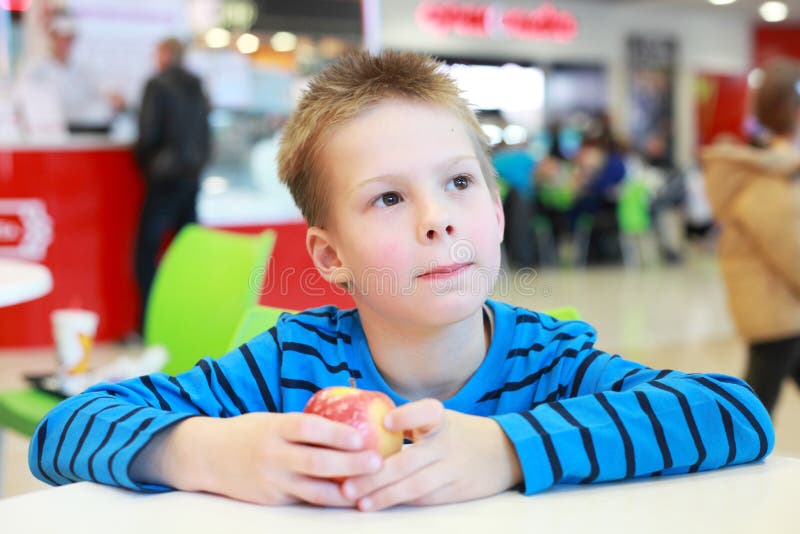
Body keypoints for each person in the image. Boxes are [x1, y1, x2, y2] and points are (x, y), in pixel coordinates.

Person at [31, 51, 772, 512]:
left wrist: (506, 450)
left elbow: (735, 415)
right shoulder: (286, 365)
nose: (436, 221)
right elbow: (64, 429)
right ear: (329, 257)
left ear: (496, 209)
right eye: (388, 198)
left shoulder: (551, 365)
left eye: (457, 183)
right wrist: (209, 452)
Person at [702, 59, 800, 415]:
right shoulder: (770, 177)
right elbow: (791, 252)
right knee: (754, 411)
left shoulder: (771, 168)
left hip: (780, 309)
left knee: (758, 401)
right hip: (775, 310)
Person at [133, 38, 211, 332]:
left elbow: (147, 134)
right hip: (191, 180)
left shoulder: (157, 84)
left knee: (145, 253)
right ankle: (182, 325)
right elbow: (205, 134)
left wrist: (149, 165)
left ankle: (148, 325)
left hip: (163, 181)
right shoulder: (197, 85)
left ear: (164, 55)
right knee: (186, 257)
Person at [15, 12, 123, 131]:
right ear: (52, 37)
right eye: (61, 38)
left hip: (84, 133)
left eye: (69, 38)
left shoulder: (84, 70)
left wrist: (114, 97)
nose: (65, 43)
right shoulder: (35, 69)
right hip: (50, 134)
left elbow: (106, 90)